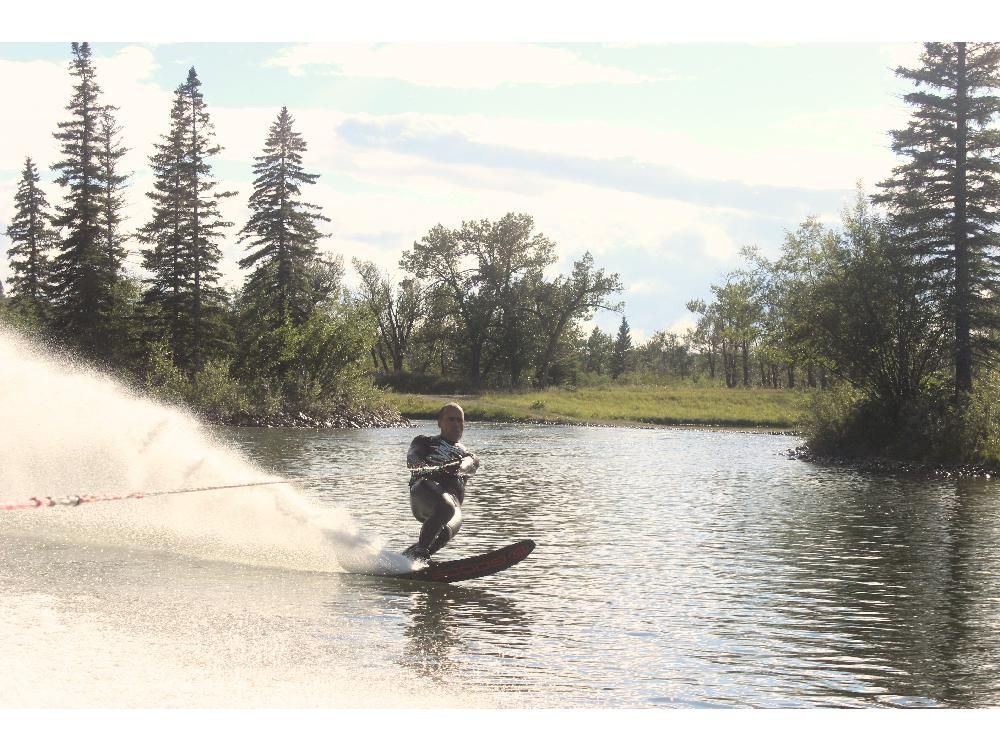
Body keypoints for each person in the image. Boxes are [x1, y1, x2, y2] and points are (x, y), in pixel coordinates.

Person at [403, 401, 480, 562]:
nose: (456, 424)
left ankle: (407, 562)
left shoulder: (469, 455)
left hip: (452, 502)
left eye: (460, 420)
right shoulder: (424, 441)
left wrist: (457, 466)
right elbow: (413, 457)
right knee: (445, 507)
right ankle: (421, 553)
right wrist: (422, 466)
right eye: (451, 419)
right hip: (425, 489)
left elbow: (468, 465)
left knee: (444, 532)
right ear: (440, 422)